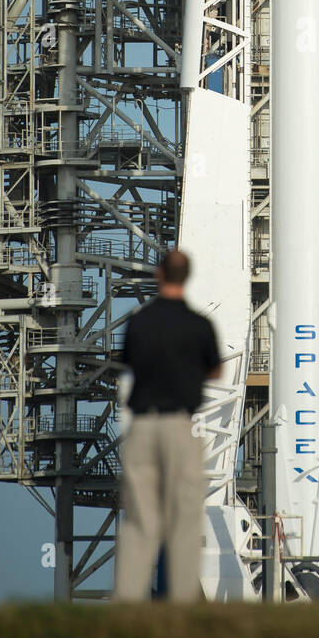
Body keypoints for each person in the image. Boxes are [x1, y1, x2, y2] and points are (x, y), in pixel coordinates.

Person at [114, 248, 222, 602]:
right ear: (187, 277)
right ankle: (182, 603)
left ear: (159, 274)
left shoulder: (139, 322)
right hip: (180, 427)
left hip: (143, 428)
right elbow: (216, 370)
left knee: (140, 519)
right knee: (185, 517)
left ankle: (127, 603)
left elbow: (130, 360)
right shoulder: (199, 326)